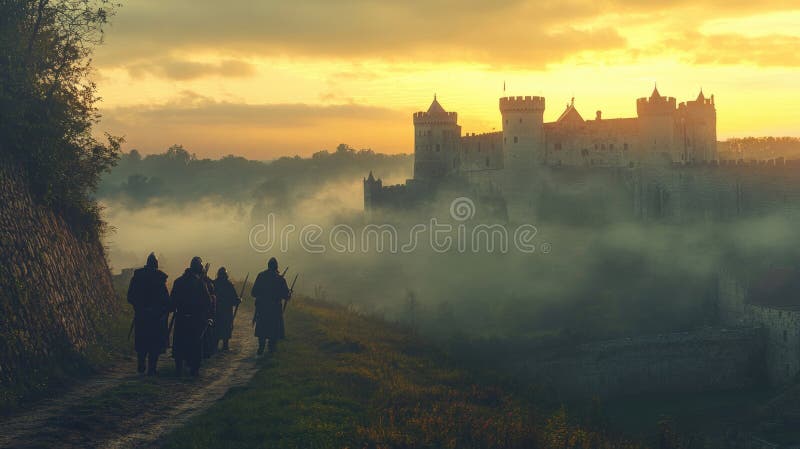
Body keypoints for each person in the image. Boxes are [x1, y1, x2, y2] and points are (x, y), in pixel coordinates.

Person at [127, 252, 170, 376]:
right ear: (156, 264)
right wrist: (163, 309)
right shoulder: (159, 278)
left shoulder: (138, 277)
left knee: (142, 341)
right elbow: (165, 299)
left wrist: (139, 307)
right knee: (154, 343)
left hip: (141, 316)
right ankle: (151, 368)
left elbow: (130, 296)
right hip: (155, 318)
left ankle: (141, 363)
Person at [170, 256, 213, 376]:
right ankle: (194, 369)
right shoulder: (200, 283)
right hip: (195, 319)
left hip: (182, 318)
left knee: (180, 343)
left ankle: (179, 368)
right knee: (195, 344)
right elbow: (207, 301)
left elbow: (173, 302)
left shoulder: (178, 281)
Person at [251, 257, 290, 355]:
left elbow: (253, 293)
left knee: (262, 331)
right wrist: (289, 293)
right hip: (275, 311)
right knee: (273, 333)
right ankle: (270, 354)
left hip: (262, 309)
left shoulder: (261, 276)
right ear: (276, 267)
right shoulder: (280, 279)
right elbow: (286, 296)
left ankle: (261, 349)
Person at [213, 267, 241, 351]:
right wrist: (238, 300)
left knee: (217, 328)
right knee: (226, 328)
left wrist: (237, 300)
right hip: (225, 311)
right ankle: (225, 346)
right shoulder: (229, 285)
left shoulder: (214, 284)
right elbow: (234, 299)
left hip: (217, 311)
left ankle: (215, 346)